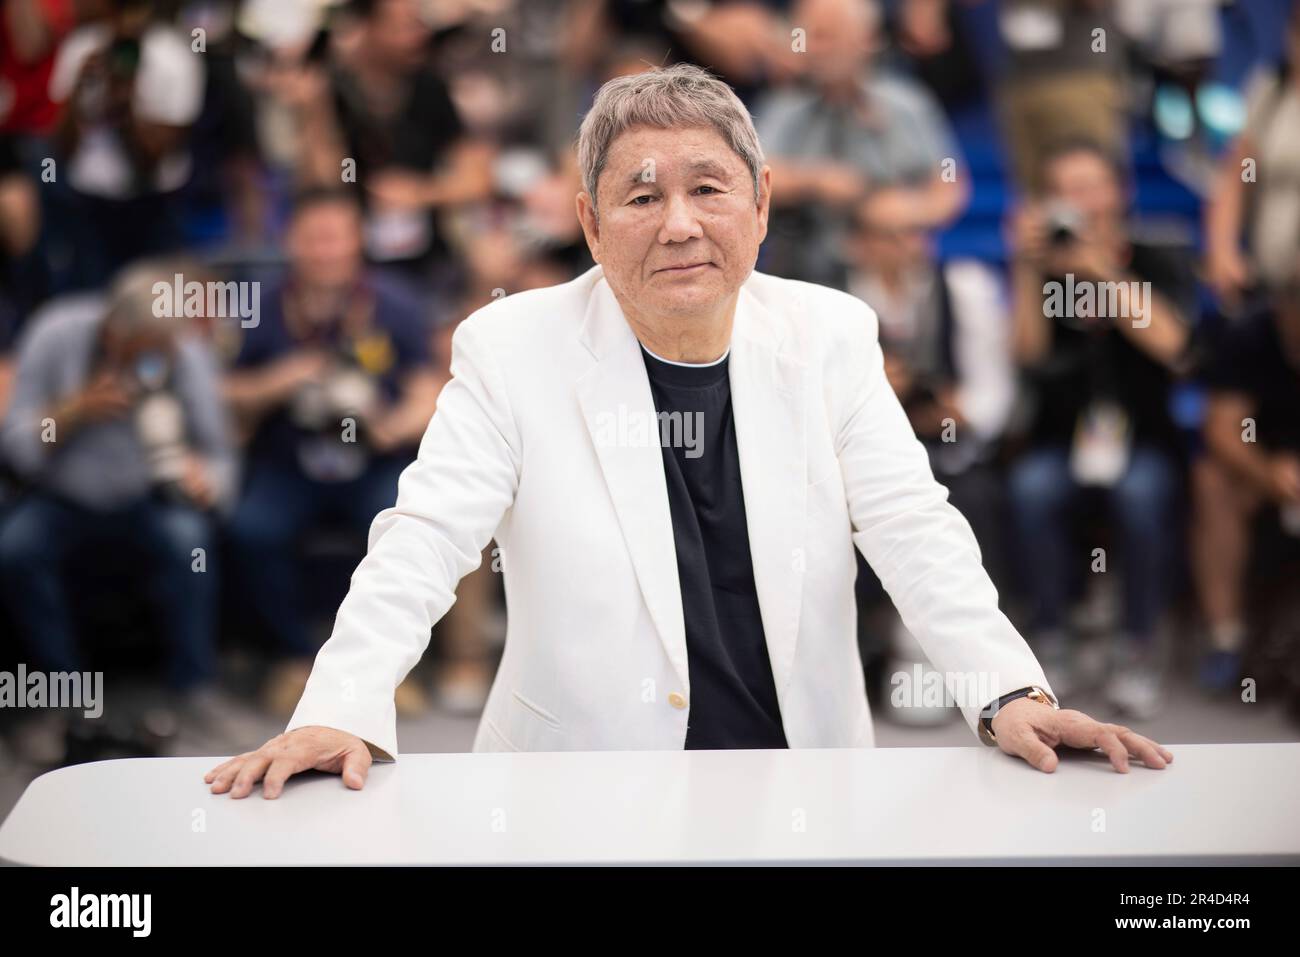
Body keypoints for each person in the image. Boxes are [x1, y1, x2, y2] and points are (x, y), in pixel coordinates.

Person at [206, 64, 1171, 800]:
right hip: (574, 797)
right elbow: (420, 542)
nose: (678, 224)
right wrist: (338, 710)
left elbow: (915, 530)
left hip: (803, 784)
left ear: (760, 206)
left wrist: (1011, 693)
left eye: (708, 189)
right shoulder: (511, 348)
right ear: (588, 222)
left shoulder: (830, 334)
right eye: (640, 195)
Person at [222, 186, 445, 717]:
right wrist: (279, 381)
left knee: (407, 526)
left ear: (357, 242)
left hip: (374, 458)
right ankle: (295, 655)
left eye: (338, 238)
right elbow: (220, 390)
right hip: (288, 460)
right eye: (314, 239)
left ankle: (389, 662)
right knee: (251, 529)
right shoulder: (260, 302)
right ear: (290, 241)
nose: (327, 251)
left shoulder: (395, 301)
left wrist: (389, 424)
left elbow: (430, 383)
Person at [0, 259, 235, 738]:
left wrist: (208, 480)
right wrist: (71, 413)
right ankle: (65, 699)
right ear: (112, 332)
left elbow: (219, 452)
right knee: (16, 552)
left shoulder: (183, 351)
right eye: (141, 351)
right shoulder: (56, 330)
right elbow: (16, 449)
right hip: (60, 497)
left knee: (190, 543)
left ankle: (193, 686)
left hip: (148, 497)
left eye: (163, 350)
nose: (154, 361)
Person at [1006, 138, 1194, 718]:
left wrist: (1102, 272)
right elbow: (1028, 356)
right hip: (1061, 438)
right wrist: (1027, 270)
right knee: (1030, 490)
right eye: (1064, 192)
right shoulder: (1044, 268)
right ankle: (1052, 635)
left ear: (1118, 192)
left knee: (1140, 495)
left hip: (1145, 438)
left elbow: (1176, 347)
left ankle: (1138, 644)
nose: (1079, 202)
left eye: (1090, 187)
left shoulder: (1156, 253)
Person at [753, 0, 968, 285]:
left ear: (866, 39)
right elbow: (751, 176)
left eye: (826, 36)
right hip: (806, 268)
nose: (813, 48)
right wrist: (814, 181)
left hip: (891, 267)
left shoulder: (907, 105)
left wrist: (907, 210)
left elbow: (950, 181)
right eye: (806, 35)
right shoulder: (785, 107)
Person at [1191, 275, 1300, 691]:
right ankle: (1227, 637)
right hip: (1264, 465)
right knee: (1211, 480)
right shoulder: (1250, 332)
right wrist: (1268, 472)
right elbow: (1222, 428)